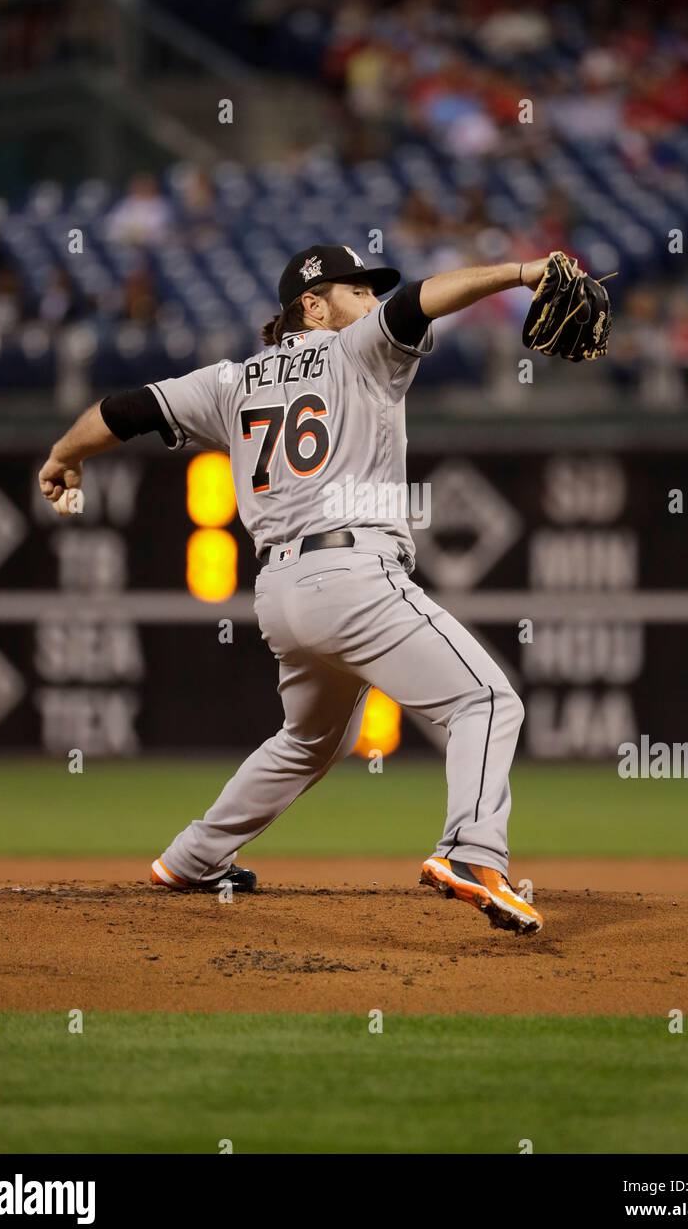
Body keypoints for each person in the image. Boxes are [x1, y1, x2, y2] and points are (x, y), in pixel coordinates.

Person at [39, 244, 554, 934]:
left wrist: (64, 457)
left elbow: (126, 409)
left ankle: (195, 856)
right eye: (358, 291)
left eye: (373, 295)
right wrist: (522, 274)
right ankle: (471, 853)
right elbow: (422, 299)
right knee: (486, 699)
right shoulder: (356, 349)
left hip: (279, 591)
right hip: (352, 575)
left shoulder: (231, 381)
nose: (372, 302)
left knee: (312, 739)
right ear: (312, 305)